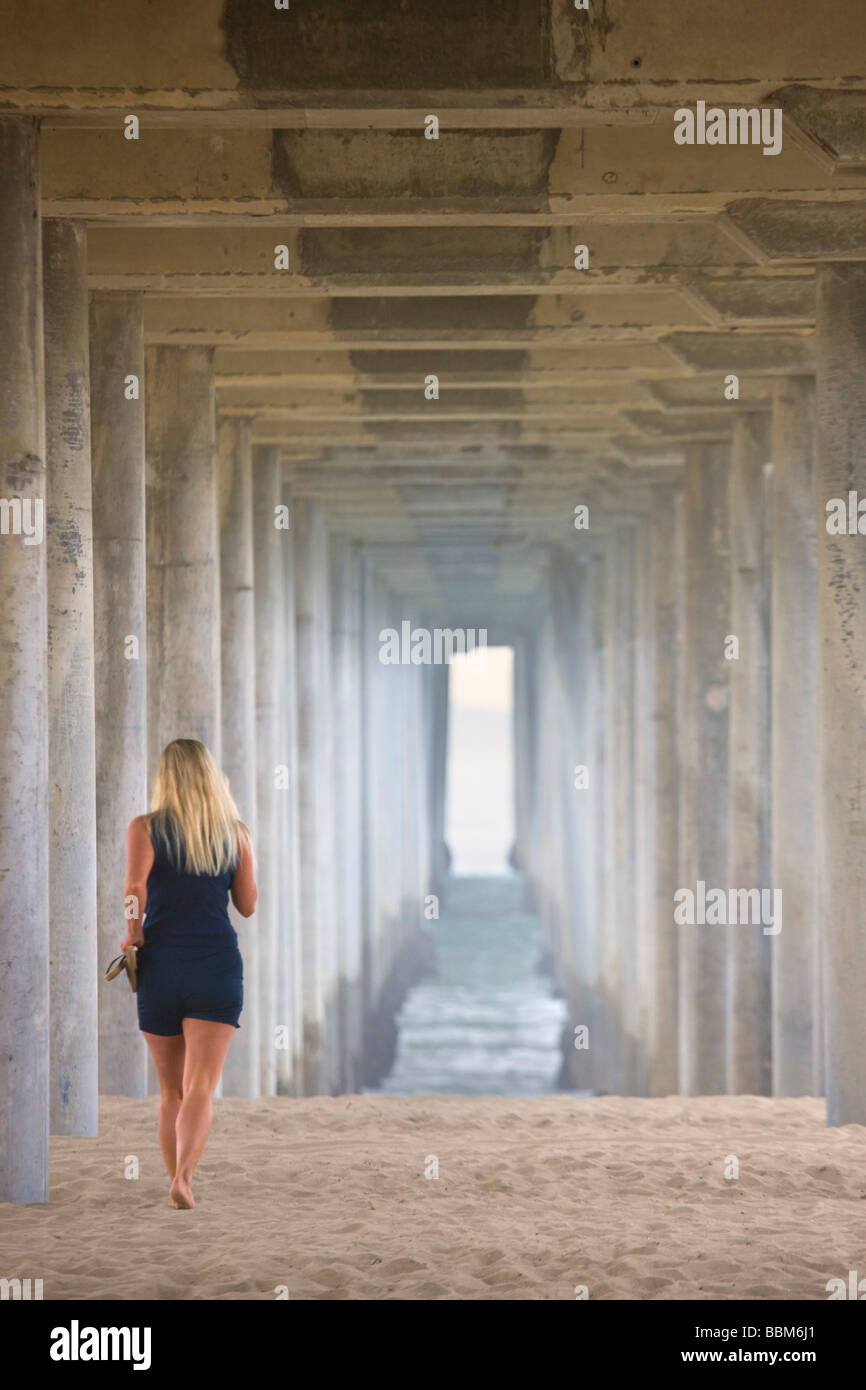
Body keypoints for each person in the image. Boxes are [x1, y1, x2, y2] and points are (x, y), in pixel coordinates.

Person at [120, 738, 257, 1209]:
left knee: (170, 1090)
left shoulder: (145, 828)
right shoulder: (234, 833)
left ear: (165, 779)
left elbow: (134, 886)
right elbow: (248, 905)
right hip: (216, 965)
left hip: (161, 966)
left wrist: (133, 932)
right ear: (211, 777)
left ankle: (173, 1176)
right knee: (201, 1086)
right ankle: (184, 1177)